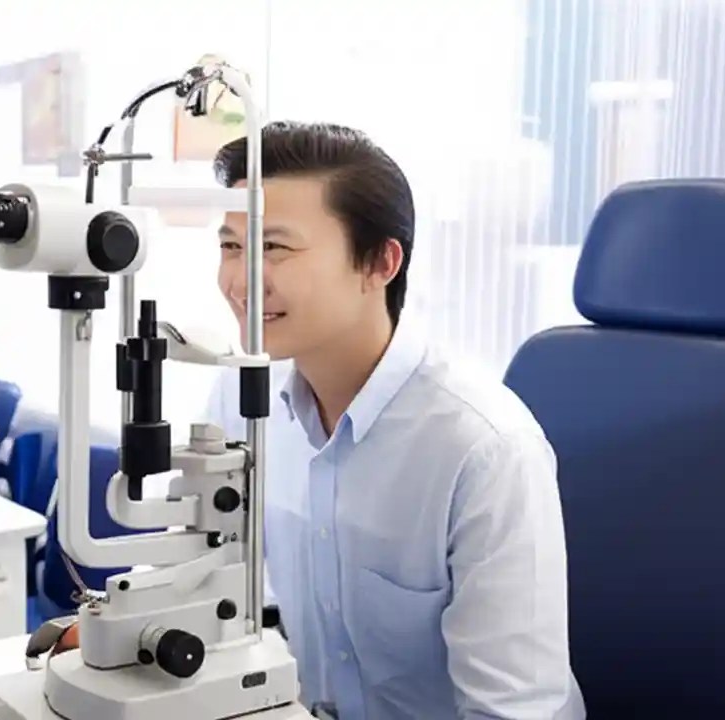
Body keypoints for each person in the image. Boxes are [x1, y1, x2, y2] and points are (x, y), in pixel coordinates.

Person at [204, 122, 585, 719]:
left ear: (381, 262)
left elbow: (511, 711)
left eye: (273, 247)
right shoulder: (239, 396)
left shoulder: (483, 449)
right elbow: (214, 584)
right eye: (231, 246)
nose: (242, 280)